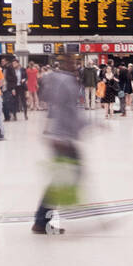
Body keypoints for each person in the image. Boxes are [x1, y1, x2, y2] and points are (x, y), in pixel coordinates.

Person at [32, 55, 85, 234]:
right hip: (63, 137)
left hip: (56, 134)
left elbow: (53, 104)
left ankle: (43, 218)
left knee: (66, 175)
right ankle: (41, 221)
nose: (77, 66)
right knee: (66, 176)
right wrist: (88, 125)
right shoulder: (68, 83)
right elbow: (69, 112)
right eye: (74, 63)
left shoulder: (53, 79)